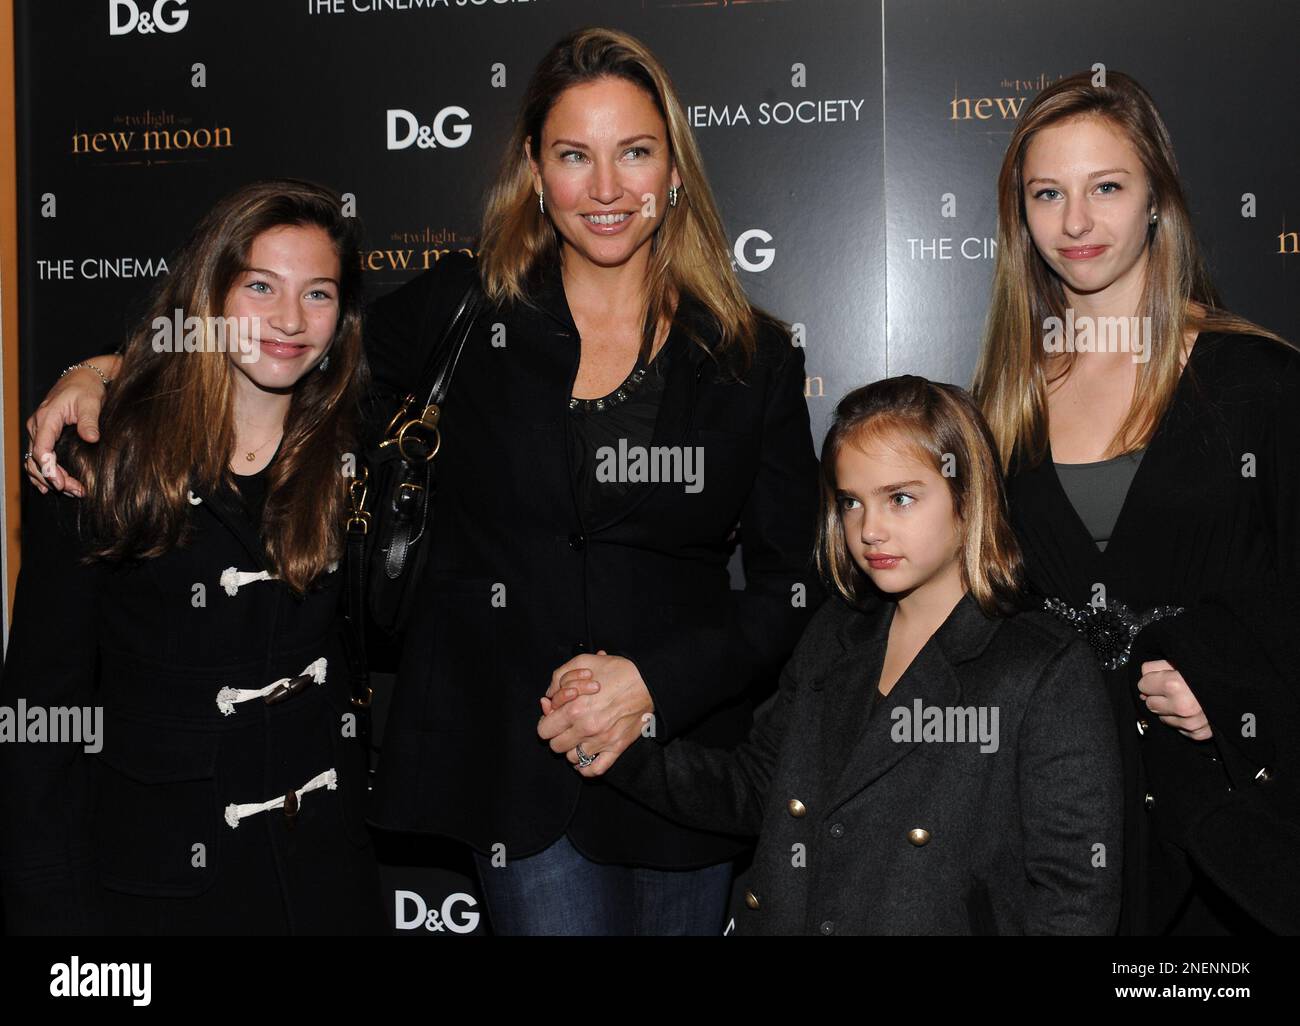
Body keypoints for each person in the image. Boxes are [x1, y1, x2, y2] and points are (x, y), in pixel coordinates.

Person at [21, 28, 822, 936]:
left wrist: (655, 683)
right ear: (534, 167)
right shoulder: (465, 305)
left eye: (634, 153)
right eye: (573, 155)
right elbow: (292, 347)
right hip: (518, 771)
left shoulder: (753, 356)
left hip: (680, 763)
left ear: (674, 169)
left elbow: (791, 587)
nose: (605, 189)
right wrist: (109, 370)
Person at [544, 377, 1123, 935]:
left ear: (968, 498)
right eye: (851, 502)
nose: (870, 528)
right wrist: (617, 746)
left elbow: (1074, 892)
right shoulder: (836, 634)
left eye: (900, 498)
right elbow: (754, 790)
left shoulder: (1041, 667)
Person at [1, 179, 385, 935]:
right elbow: (40, 717)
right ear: (209, 297)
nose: (289, 320)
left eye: (318, 294)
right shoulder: (102, 462)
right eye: (262, 287)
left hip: (325, 885)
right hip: (155, 895)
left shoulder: (360, 451)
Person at [973, 69, 1300, 934]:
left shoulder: (1256, 384)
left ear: (1158, 196)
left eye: (1106, 187)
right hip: (1060, 834)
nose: (1076, 223)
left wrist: (1238, 696)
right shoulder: (1000, 409)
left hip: (1229, 837)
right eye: (1048, 194)